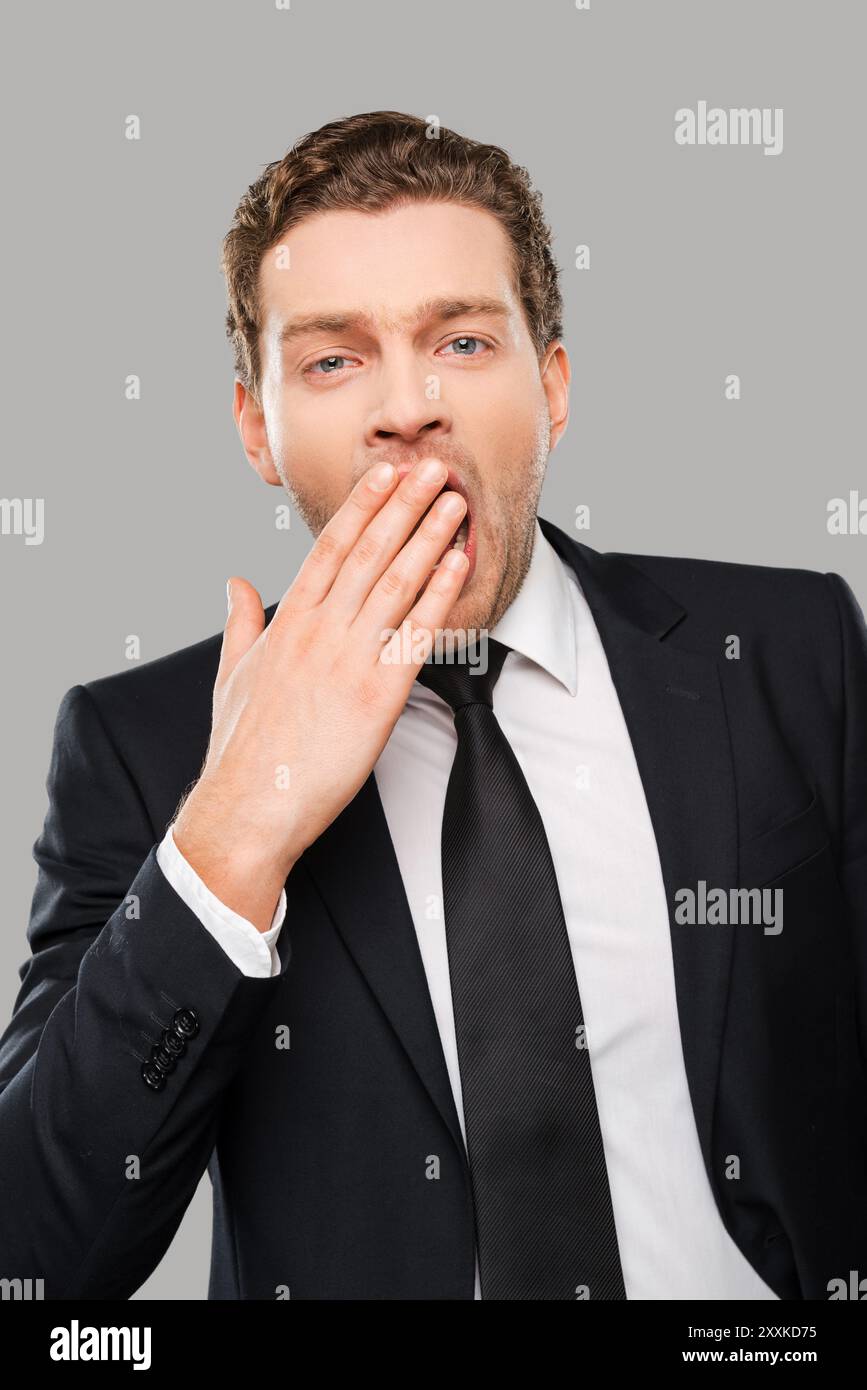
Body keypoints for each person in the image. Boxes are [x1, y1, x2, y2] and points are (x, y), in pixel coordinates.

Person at [1, 111, 865, 1301]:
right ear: (257, 427)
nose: (407, 407)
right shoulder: (140, 749)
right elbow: (37, 1263)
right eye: (333, 360)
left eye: (462, 341)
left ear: (552, 384)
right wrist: (238, 823)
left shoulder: (787, 651)